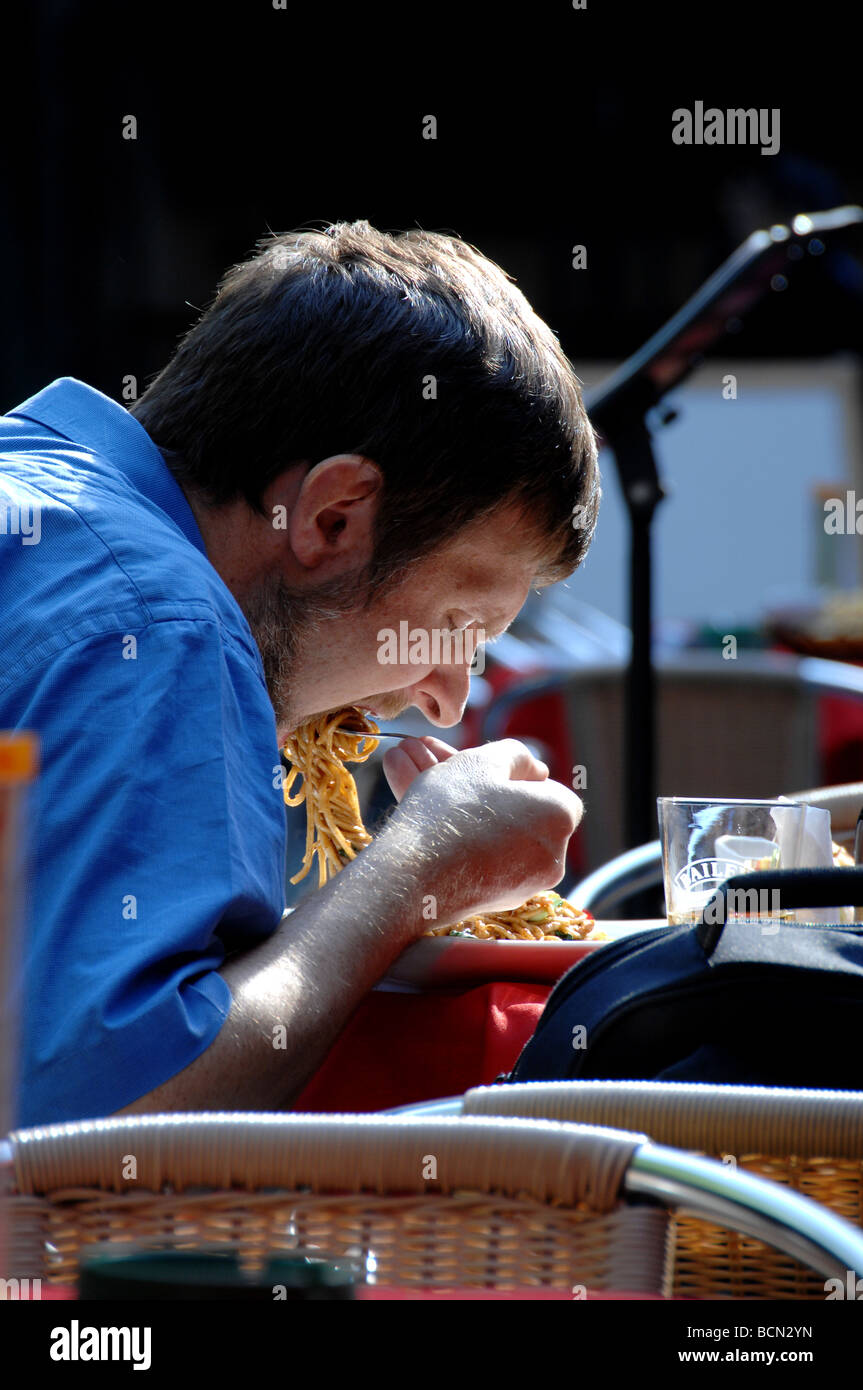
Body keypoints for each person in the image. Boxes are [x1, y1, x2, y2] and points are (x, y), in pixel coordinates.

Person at [0, 221, 599, 1126]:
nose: (444, 698)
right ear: (332, 519)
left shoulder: (46, 498)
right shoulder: (163, 623)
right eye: (457, 626)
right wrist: (420, 866)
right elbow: (113, 1127)